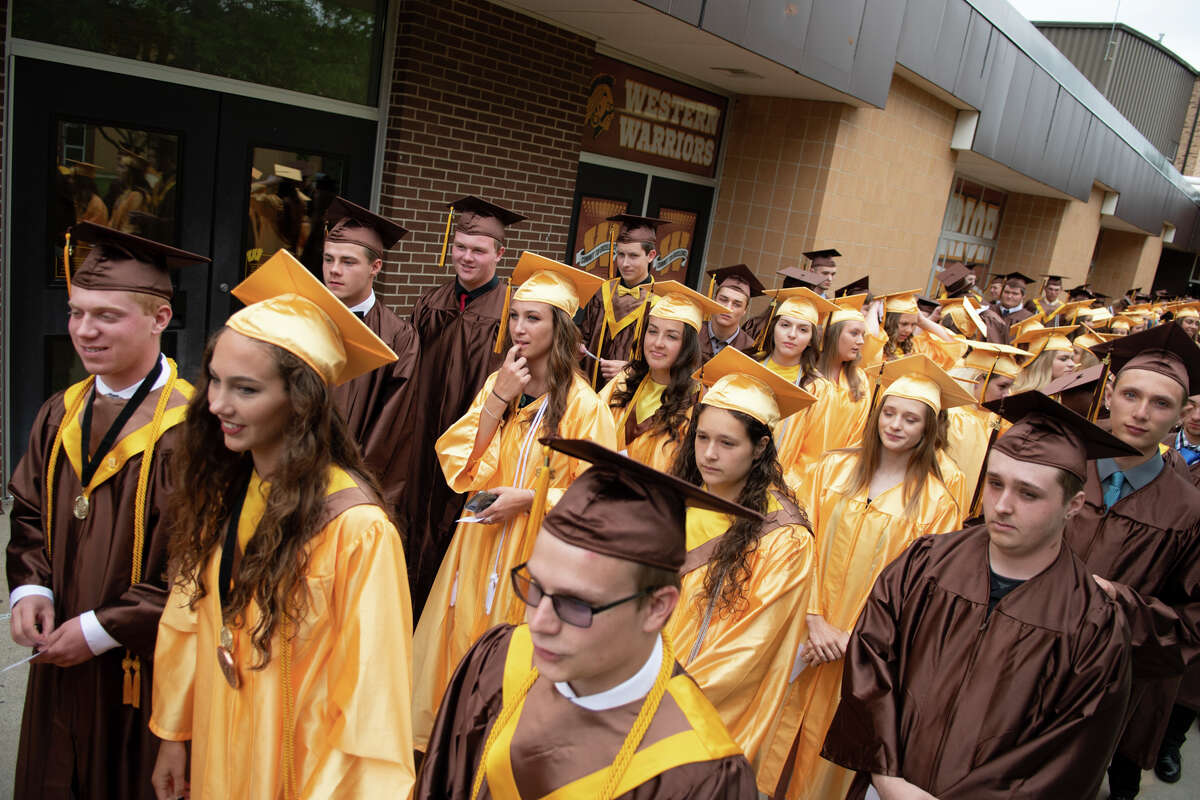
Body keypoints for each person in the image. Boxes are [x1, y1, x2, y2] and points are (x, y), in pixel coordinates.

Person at [149, 250, 415, 798]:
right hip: (219, 741)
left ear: (302, 403)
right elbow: (187, 613)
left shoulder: (356, 529)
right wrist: (174, 733)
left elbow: (372, 707)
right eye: (215, 380)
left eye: (247, 389)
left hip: (302, 770)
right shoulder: (224, 486)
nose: (218, 403)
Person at [821, 391, 1135, 800]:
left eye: (1028, 494)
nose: (1002, 506)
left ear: (1073, 505)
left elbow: (1070, 755)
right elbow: (872, 658)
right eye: (995, 483)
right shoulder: (926, 563)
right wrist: (885, 775)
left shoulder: (1092, 624)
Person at [414, 438, 759, 799]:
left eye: (576, 604)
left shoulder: (702, 774)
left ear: (658, 608)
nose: (538, 624)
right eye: (534, 585)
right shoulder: (496, 661)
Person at [6, 223, 207, 800]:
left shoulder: (195, 431)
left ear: (159, 319)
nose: (83, 331)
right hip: (58, 656)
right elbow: (27, 511)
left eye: (107, 316)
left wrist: (99, 630)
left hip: (139, 675)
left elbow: (198, 571)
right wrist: (30, 590)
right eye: (76, 312)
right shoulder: (59, 411)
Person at [412, 253, 618, 752]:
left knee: (514, 665)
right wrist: (498, 401)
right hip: (479, 543)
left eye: (534, 317)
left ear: (560, 326)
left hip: (537, 556)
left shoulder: (586, 407)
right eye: (517, 315)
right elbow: (463, 464)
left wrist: (529, 500)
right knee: (458, 648)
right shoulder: (499, 383)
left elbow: (603, 495)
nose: (519, 327)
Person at [782, 355, 971, 800]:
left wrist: (857, 641)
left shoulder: (936, 501)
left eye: (911, 418)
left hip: (865, 654)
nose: (897, 425)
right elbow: (796, 543)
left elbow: (925, 593)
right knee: (775, 747)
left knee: (828, 766)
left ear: (929, 429)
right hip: (803, 635)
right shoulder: (832, 469)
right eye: (889, 412)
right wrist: (813, 617)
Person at [667, 347, 816, 792]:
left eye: (727, 443)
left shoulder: (784, 538)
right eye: (701, 438)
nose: (708, 455)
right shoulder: (676, 499)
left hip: (707, 718)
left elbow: (747, 653)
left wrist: (658, 698)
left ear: (761, 447)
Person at [1073, 324, 1200, 800]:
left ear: (1182, 414)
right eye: (1131, 394)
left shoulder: (1188, 512)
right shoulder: (1059, 468)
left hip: (1102, 686)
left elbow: (1191, 624)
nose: (1141, 413)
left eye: (1161, 404)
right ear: (1109, 395)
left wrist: (1123, 605)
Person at [405, 195, 526, 615]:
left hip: (479, 446)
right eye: (460, 247)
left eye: (478, 249)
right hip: (424, 442)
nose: (466, 257)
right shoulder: (430, 302)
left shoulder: (514, 313)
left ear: (499, 253)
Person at [321, 197, 421, 520]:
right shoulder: (303, 318)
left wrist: (351, 491)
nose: (334, 270)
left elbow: (390, 430)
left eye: (348, 262)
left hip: (350, 493)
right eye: (328, 259)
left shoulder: (398, 337)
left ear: (375, 267)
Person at [599, 282, 725, 471]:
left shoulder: (699, 404)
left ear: (687, 346)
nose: (658, 343)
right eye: (653, 331)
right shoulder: (623, 383)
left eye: (671, 336)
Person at [784, 295, 871, 487]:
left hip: (837, 482)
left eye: (862, 335)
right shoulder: (807, 379)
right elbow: (789, 442)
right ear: (832, 335)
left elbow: (857, 440)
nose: (861, 341)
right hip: (798, 480)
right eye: (854, 333)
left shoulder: (860, 381)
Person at [754, 286, 837, 480]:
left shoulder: (819, 389)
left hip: (778, 486)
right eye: (785, 325)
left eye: (803, 329)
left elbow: (812, 456)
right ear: (773, 327)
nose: (792, 334)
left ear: (810, 340)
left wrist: (780, 491)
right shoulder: (750, 367)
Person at [578, 213, 666, 388]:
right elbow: (584, 336)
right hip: (588, 392)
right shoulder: (602, 293)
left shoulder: (661, 304)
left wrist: (633, 370)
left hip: (629, 398)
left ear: (651, 255)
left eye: (633, 256)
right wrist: (577, 345)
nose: (625, 263)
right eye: (620, 254)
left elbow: (665, 360)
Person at [943, 342, 1029, 509]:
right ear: (976, 380)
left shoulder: (992, 417)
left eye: (1010, 387)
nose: (1007, 394)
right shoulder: (955, 419)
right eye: (1002, 386)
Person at [863, 290, 962, 370]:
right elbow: (868, 336)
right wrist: (875, 307)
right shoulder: (878, 346)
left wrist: (923, 321)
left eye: (913, 324)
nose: (909, 330)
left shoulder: (912, 347)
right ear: (888, 321)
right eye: (904, 324)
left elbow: (954, 345)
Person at [699, 264, 764, 362]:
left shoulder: (750, 350)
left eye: (737, 304)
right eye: (723, 300)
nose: (728, 308)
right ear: (714, 300)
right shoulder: (693, 334)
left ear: (745, 310)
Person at [1009, 325, 1077, 393]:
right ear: (1043, 362)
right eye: (1063, 359)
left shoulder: (1065, 395)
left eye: (1072, 359)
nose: (1072, 364)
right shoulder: (1021, 397)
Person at [980, 273, 1035, 343]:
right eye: (1006, 292)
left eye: (1015, 294)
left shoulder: (1028, 318)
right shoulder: (988, 310)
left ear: (1023, 296)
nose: (1009, 296)